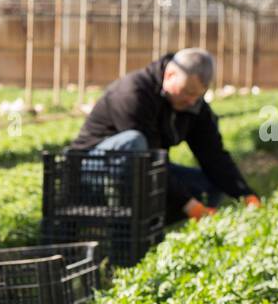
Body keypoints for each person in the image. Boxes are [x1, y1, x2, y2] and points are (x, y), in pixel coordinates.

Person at [72, 47, 261, 221]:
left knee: (210, 186)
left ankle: (151, 223)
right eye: (187, 92)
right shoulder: (133, 93)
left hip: (145, 169)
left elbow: (213, 155)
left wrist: (245, 194)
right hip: (92, 170)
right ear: (170, 75)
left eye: (198, 95)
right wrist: (188, 203)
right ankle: (127, 226)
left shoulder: (193, 105)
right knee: (135, 143)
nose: (191, 101)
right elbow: (150, 159)